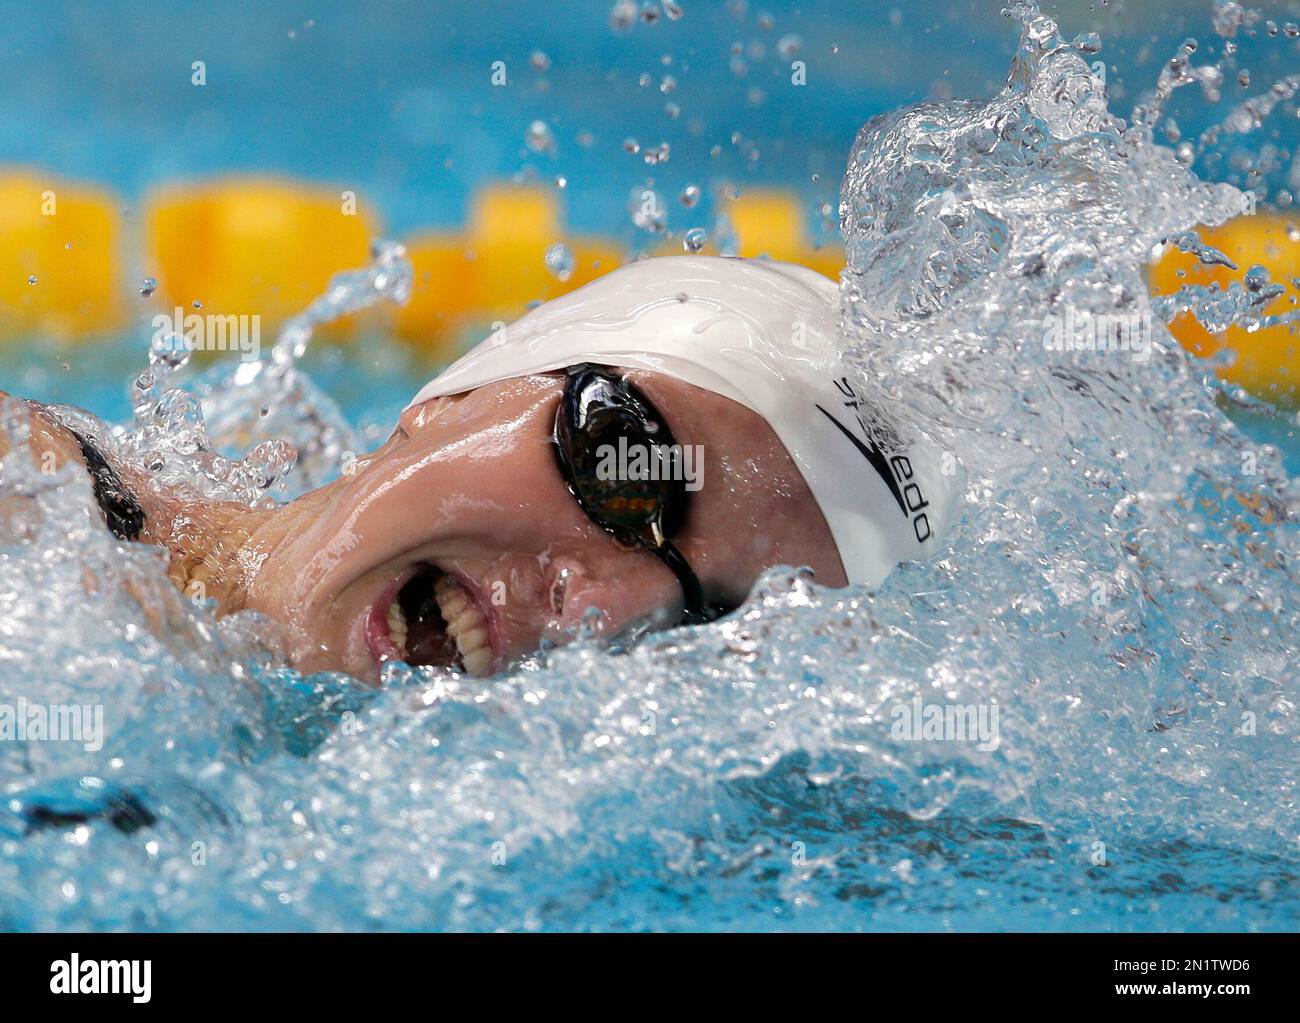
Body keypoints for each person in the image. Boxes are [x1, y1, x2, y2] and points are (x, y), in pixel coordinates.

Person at [1, 256, 955, 683]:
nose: (604, 612)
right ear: (458, 393)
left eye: (710, 621)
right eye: (627, 474)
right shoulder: (31, 508)